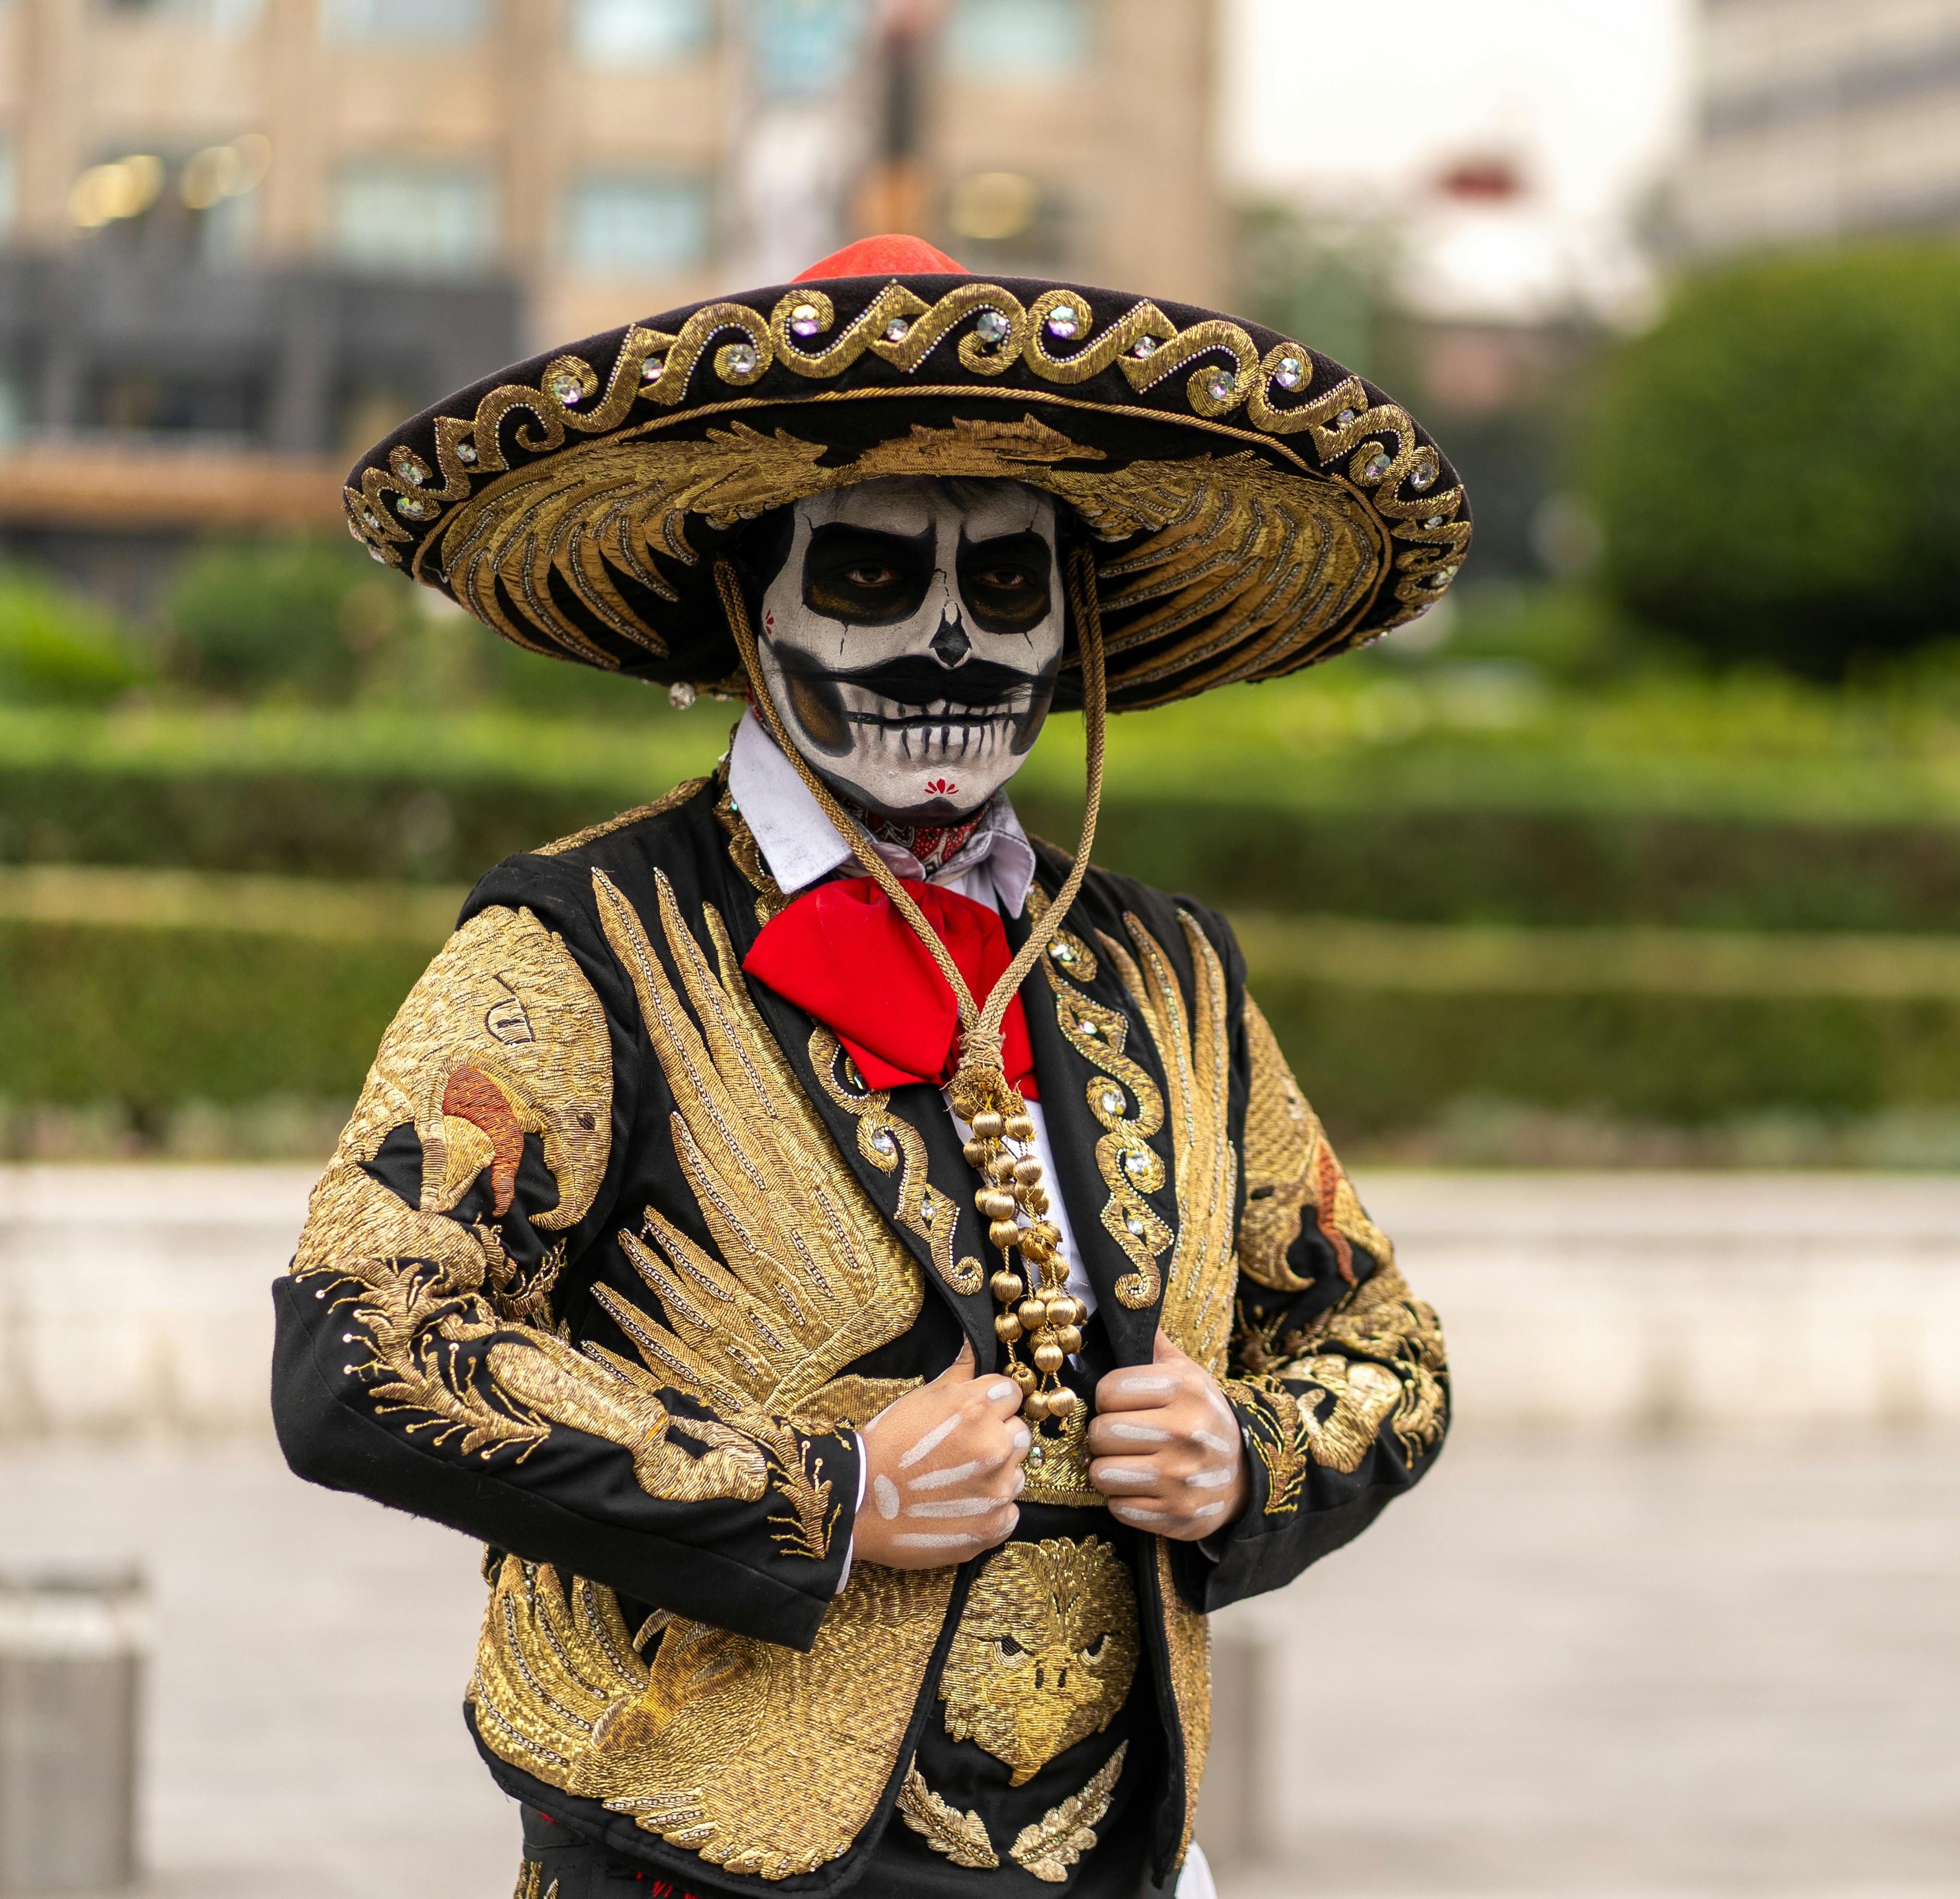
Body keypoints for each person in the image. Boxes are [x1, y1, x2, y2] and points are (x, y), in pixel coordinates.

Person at [271, 234, 1461, 1898]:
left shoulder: (1168, 973)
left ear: (1075, 628)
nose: (955, 647)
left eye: (1008, 586)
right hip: (700, 1858)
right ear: (747, 603)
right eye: (872, 577)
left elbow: (1384, 1341)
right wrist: (818, 1494)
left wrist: (1248, 1454)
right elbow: (362, 1342)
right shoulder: (588, 943)